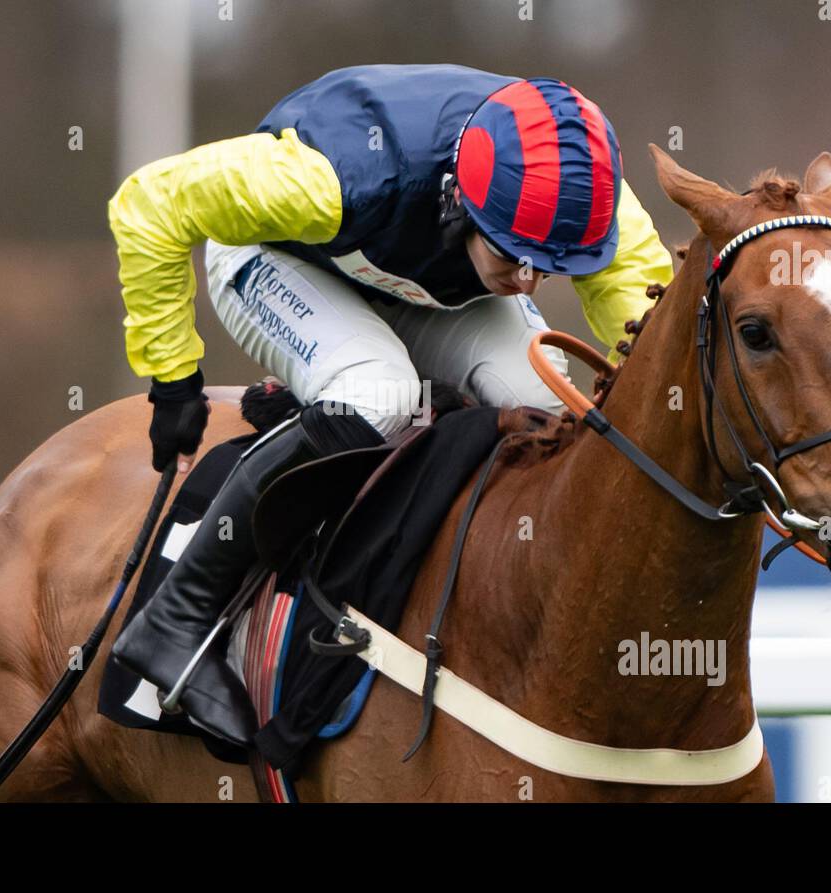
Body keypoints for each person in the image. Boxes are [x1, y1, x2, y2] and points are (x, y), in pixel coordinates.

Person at [108, 64, 674, 746]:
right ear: (464, 200)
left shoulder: (588, 198)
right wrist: (173, 377)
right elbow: (149, 203)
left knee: (551, 412)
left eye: (547, 266)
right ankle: (176, 618)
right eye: (514, 255)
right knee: (381, 392)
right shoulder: (333, 178)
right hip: (280, 256)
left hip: (421, 282)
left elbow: (648, 340)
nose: (528, 281)